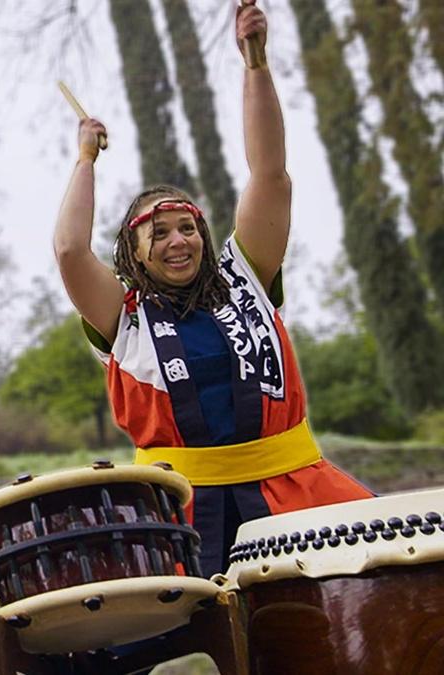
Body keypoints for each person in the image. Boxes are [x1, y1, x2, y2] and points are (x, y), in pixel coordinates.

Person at [52, 1, 370, 575]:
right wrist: (84, 161)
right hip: (180, 509)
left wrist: (255, 65)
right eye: (159, 232)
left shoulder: (244, 275)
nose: (179, 242)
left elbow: (269, 173)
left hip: (291, 488)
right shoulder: (123, 317)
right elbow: (71, 251)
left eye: (188, 228)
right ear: (133, 252)